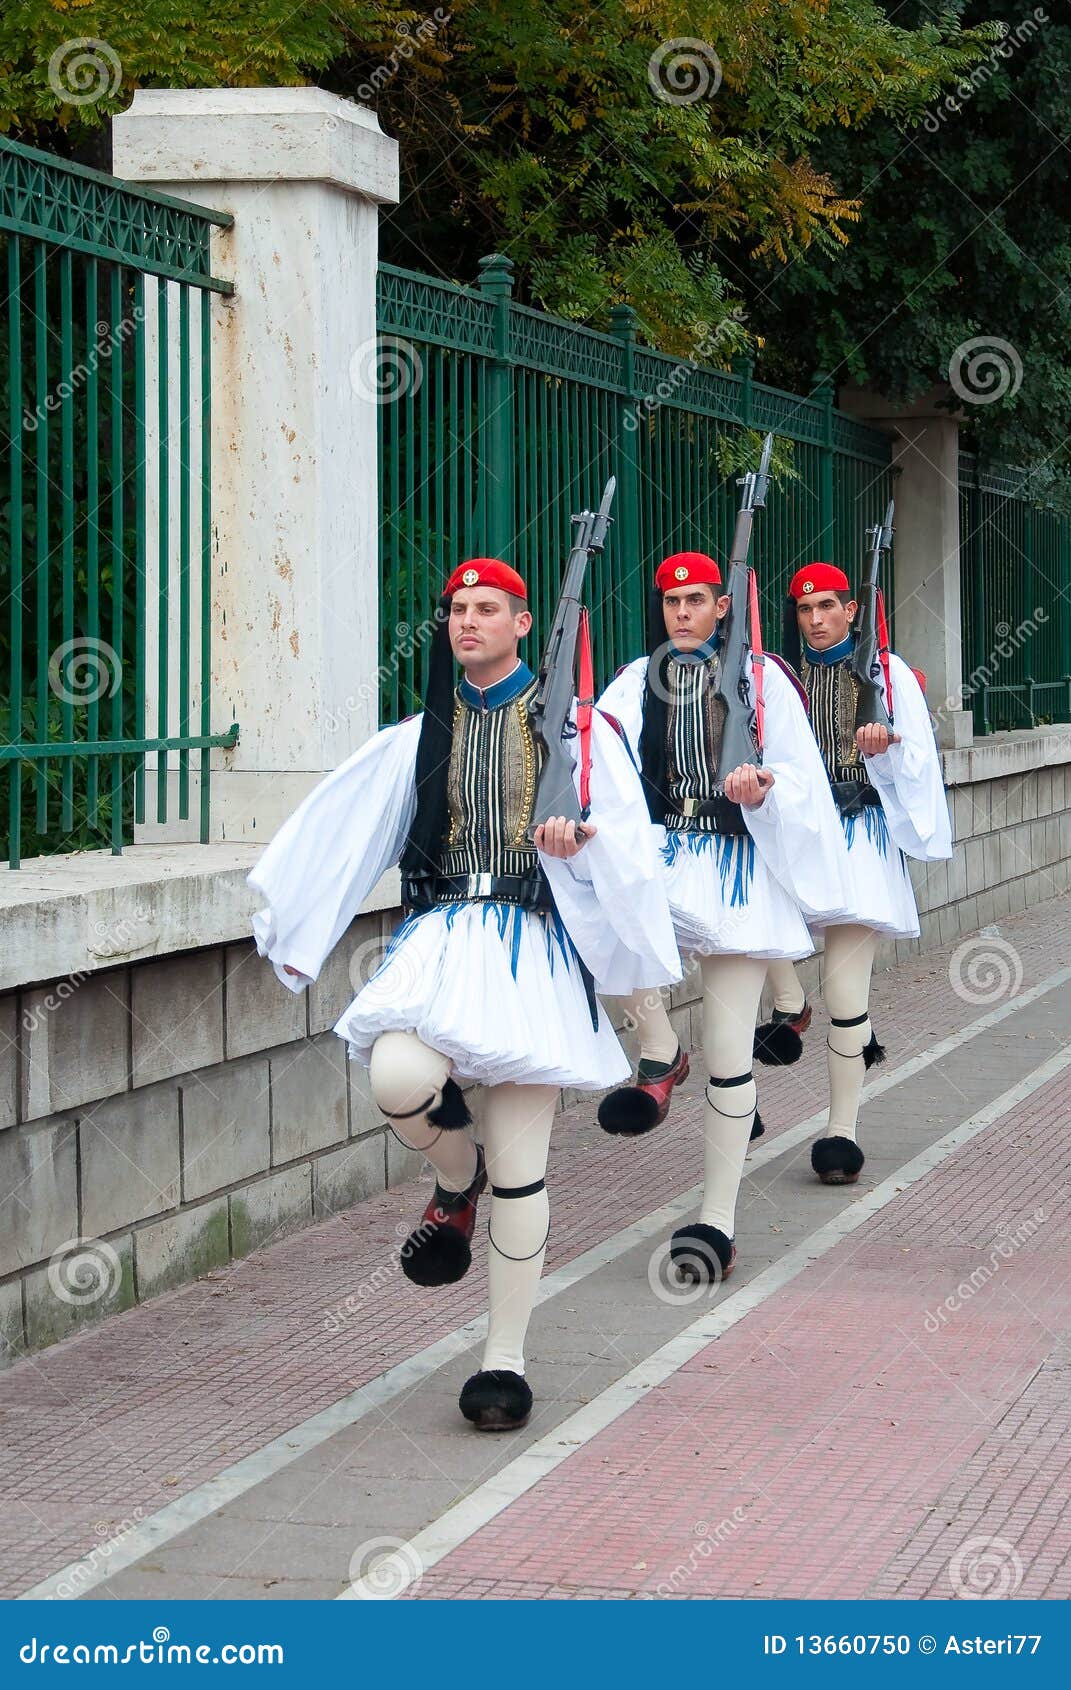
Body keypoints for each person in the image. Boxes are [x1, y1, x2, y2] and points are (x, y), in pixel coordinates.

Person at [248, 558, 679, 1430]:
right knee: (397, 1079)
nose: (467, 621)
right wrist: (294, 930)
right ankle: (455, 1176)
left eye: (487, 609)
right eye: (456, 609)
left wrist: (581, 844)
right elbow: (345, 833)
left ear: (525, 624)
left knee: (527, 1172)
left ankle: (503, 1361)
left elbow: (636, 855)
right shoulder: (420, 733)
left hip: (534, 952)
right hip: (443, 940)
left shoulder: (580, 732)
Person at [594, 552, 849, 1282]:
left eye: (696, 600)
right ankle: (659, 1046)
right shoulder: (634, 680)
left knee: (732, 1054)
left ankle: (716, 1219)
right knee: (605, 932)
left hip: (736, 871)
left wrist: (765, 783)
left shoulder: (762, 680)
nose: (680, 613)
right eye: (670, 601)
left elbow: (803, 775)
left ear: (722, 607)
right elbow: (591, 751)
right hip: (665, 856)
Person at [758, 562, 952, 1185]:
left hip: (857, 836)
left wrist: (888, 746)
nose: (815, 621)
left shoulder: (887, 674)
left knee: (847, 996)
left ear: (851, 612)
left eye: (828, 609)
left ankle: (841, 1131)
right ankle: (784, 1014)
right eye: (805, 611)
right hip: (791, 836)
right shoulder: (772, 678)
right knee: (741, 928)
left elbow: (922, 762)